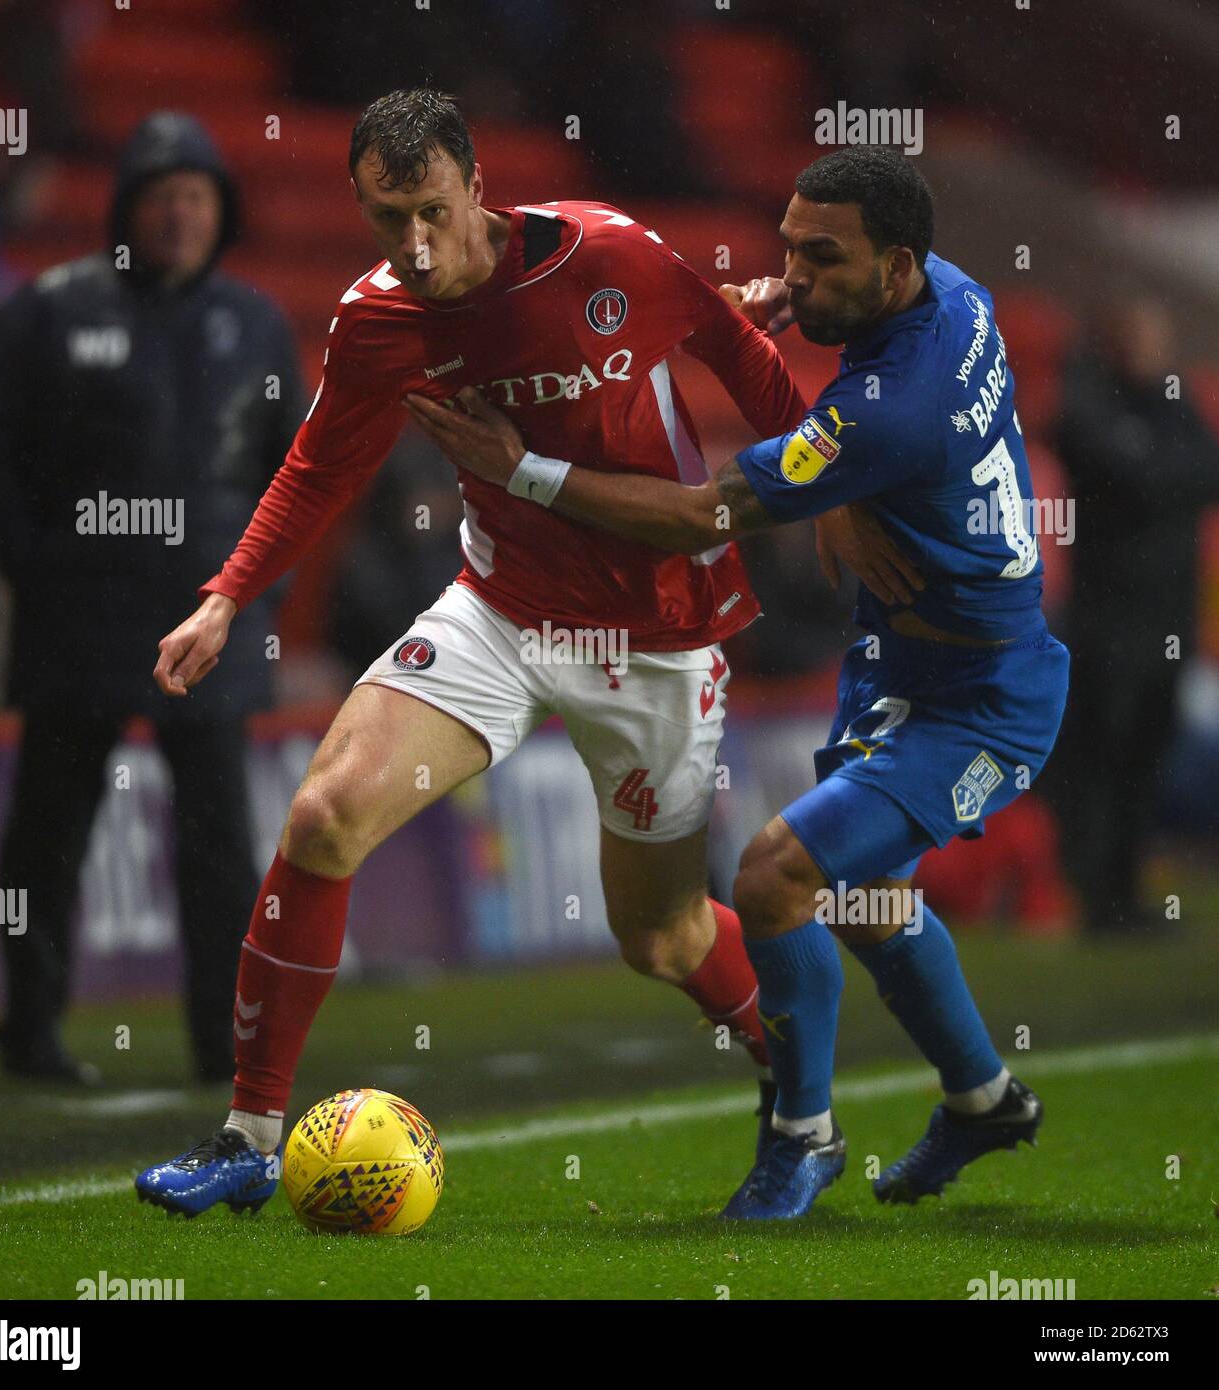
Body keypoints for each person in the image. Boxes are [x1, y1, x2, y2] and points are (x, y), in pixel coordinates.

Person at [133, 90, 919, 1219]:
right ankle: (251, 1135)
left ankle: (799, 1102)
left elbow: (744, 357)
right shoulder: (378, 320)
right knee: (321, 819)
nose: (412, 246)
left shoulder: (611, 258)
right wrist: (224, 595)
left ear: (476, 193)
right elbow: (317, 468)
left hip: (659, 636)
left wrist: (830, 497)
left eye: (432, 214)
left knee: (661, 935)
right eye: (386, 217)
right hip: (499, 611)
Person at [408, 147, 1070, 1220]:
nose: (794, 276)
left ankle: (801, 1138)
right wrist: (822, 446)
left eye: (821, 257)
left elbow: (694, 515)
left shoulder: (888, 413)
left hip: (981, 700)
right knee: (863, 902)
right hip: (903, 665)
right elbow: (847, 425)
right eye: (788, 248)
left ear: (894, 265)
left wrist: (514, 467)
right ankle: (984, 1099)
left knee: (771, 879)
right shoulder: (954, 294)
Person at [0, 112, 304, 1084]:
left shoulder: (257, 324)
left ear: (220, 212)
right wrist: (31, 565)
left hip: (211, 626)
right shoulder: (49, 312)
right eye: (162, 195)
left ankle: (224, 1047)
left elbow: (302, 467)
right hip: (78, 623)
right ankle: (28, 1030)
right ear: (126, 207)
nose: (179, 213)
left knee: (221, 851)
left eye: (197, 196)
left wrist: (260, 590)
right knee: (47, 833)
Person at [1048, 297, 1219, 933]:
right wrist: (1162, 471)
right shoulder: (1085, 404)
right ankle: (1094, 896)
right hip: (1108, 621)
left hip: (1171, 617)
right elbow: (1135, 473)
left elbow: (1205, 471)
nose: (1154, 349)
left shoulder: (1173, 403)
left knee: (1149, 754)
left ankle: (1128, 890)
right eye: (1141, 336)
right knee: (1102, 757)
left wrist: (1157, 468)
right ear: (1112, 340)